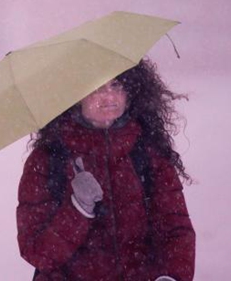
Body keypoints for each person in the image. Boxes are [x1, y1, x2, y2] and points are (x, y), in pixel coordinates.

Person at [16, 58, 195, 281]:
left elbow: (175, 228)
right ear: (74, 96)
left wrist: (172, 277)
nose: (109, 97)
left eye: (116, 85)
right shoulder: (47, 160)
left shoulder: (148, 152)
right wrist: (78, 209)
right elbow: (37, 251)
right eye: (97, 88)